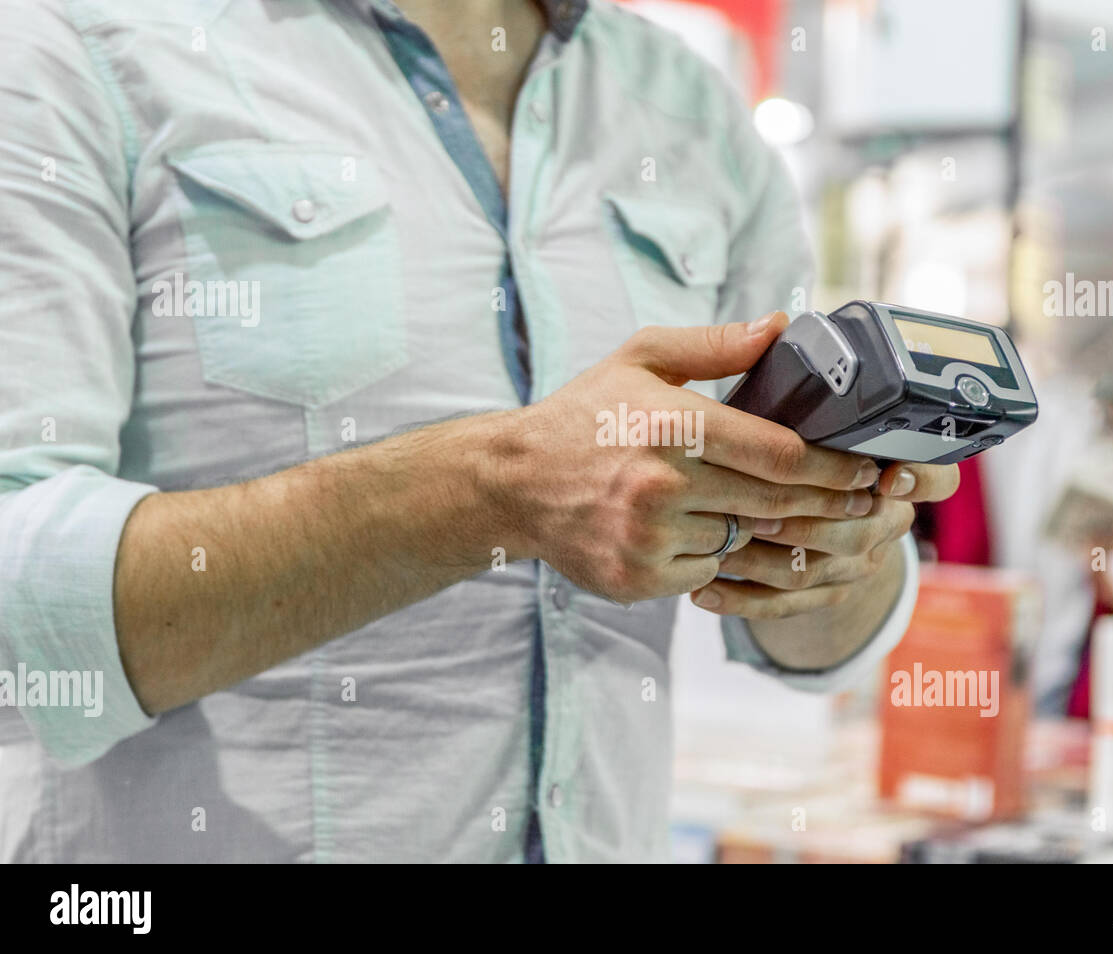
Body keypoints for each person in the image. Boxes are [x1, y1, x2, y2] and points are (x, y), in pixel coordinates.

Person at [0, 0, 957, 862]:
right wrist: (486, 491)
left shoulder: (690, 108)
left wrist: (841, 536)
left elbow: (803, 637)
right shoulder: (77, 46)